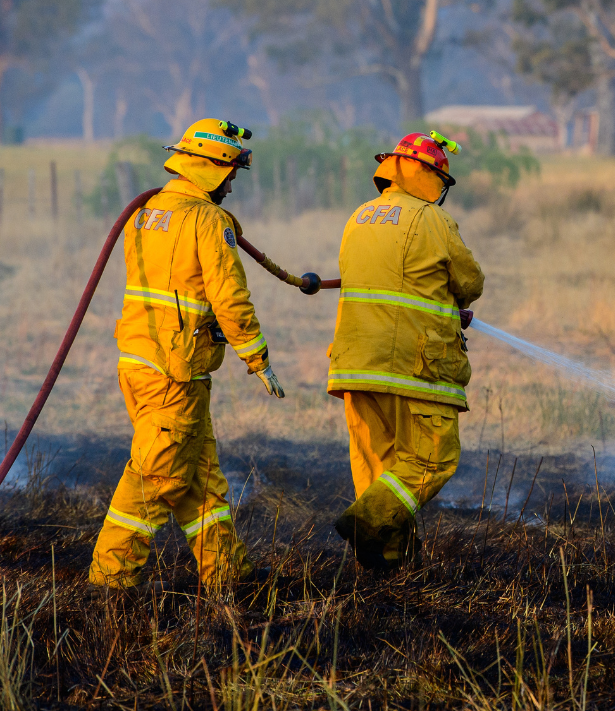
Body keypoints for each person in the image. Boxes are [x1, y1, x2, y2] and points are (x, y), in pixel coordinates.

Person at [90, 119, 285, 592]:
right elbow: (230, 299)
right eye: (230, 171)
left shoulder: (149, 212)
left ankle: (226, 573)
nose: (233, 182)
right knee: (157, 477)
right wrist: (257, 359)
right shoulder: (207, 220)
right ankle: (108, 582)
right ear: (210, 166)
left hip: (139, 361)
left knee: (200, 477)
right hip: (175, 371)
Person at [327, 131, 484, 570]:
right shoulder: (432, 220)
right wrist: (452, 303)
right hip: (414, 366)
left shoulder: (359, 216)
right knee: (431, 459)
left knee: (382, 469)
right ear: (429, 175)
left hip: (356, 364)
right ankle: (363, 522)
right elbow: (469, 282)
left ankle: (386, 566)